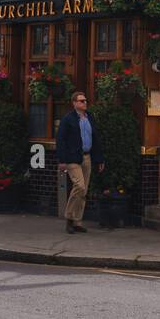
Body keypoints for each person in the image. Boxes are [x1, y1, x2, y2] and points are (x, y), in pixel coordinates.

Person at [56, 90, 104, 234]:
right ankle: (69, 219)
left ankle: (77, 221)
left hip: (87, 157)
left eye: (85, 100)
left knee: (84, 191)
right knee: (79, 186)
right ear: (74, 103)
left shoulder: (90, 117)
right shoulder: (68, 119)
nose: (85, 103)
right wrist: (62, 160)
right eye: (81, 101)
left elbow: (96, 139)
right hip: (72, 158)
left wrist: (99, 159)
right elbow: (60, 140)